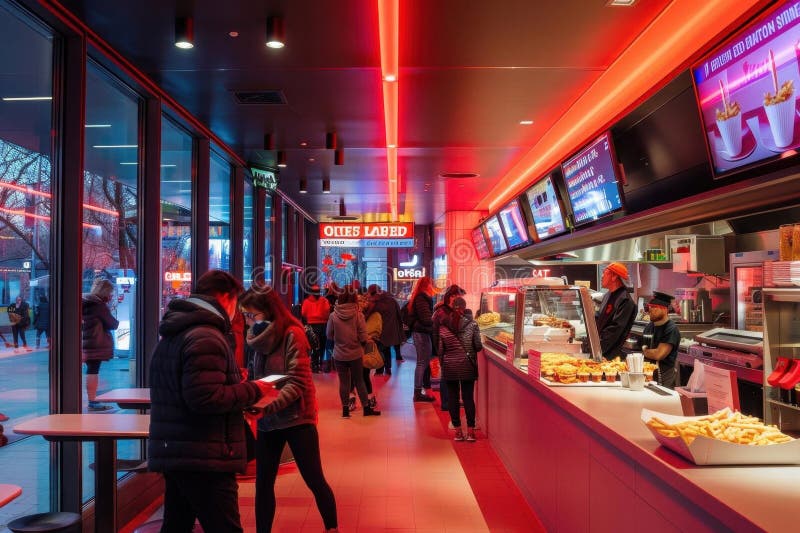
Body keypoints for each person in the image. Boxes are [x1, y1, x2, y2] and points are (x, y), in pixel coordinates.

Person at [148, 270, 274, 533]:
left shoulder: (176, 330)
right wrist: (254, 390)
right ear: (226, 297)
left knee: (177, 524)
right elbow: (205, 398)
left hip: (179, 449)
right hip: (205, 454)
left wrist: (230, 382)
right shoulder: (206, 336)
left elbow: (190, 388)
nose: (237, 313)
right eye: (236, 305)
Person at [239, 284, 339, 533]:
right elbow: (257, 377)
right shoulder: (255, 340)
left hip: (297, 419)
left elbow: (299, 382)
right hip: (267, 420)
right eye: (245, 315)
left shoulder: (292, 334)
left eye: (251, 315)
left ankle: (332, 528)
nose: (248, 320)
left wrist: (267, 406)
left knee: (314, 479)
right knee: (263, 484)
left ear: (268, 311)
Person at [326, 285, 381, 418]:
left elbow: (328, 334)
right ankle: (366, 409)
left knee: (344, 382)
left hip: (339, 354)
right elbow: (363, 336)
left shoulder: (333, 315)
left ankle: (345, 410)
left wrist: (339, 340)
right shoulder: (358, 315)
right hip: (356, 353)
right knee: (359, 380)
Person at [439, 297, 482, 442]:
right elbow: (478, 347)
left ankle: (457, 432)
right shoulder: (472, 324)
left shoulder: (443, 325)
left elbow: (441, 350)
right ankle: (470, 432)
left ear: (452, 307)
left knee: (453, 398)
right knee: (468, 398)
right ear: (464, 308)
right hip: (467, 366)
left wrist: (443, 364)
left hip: (450, 366)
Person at [82, 280, 119, 411]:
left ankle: (92, 400)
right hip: (95, 343)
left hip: (86, 341)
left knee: (91, 370)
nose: (111, 296)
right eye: (110, 293)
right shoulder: (99, 305)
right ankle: (92, 401)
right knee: (93, 371)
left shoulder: (85, 302)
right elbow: (113, 324)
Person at [431, 285, 466, 411]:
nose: (458, 299)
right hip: (444, 348)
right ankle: (447, 403)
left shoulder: (446, 310)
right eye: (456, 296)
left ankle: (451, 401)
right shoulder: (442, 311)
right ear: (450, 297)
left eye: (460, 297)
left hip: (447, 347)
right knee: (447, 377)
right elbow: (454, 326)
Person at [595, 262, 636, 360]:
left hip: (611, 357)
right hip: (600, 351)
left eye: (605, 273)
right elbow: (600, 320)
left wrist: (599, 350)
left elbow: (614, 330)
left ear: (614, 276)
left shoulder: (625, 300)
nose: (602, 276)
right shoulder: (607, 295)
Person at [642, 291, 681, 389]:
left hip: (664, 379)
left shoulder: (671, 329)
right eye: (650, 306)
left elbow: (658, 354)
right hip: (647, 377)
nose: (650, 310)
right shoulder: (649, 327)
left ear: (664, 309)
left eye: (654, 307)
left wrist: (645, 351)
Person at [408, 276, 437, 402]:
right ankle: (417, 393)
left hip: (421, 332)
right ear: (427, 285)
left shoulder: (420, 297)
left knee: (423, 362)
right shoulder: (422, 298)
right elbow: (425, 318)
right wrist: (436, 319)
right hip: (421, 333)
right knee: (422, 363)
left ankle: (419, 391)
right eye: (431, 284)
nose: (433, 286)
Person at [365, 284, 404, 376]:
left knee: (380, 350)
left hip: (379, 330)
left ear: (372, 292)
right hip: (391, 329)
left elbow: (367, 316)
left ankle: (379, 370)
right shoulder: (392, 300)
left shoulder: (375, 303)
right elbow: (399, 314)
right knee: (387, 349)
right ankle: (388, 368)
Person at [301, 284, 331, 373]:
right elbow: (327, 311)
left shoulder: (306, 301)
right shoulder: (324, 300)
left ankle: (314, 365)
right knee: (322, 345)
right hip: (322, 325)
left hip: (311, 325)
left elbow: (303, 313)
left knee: (313, 346)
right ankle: (320, 363)